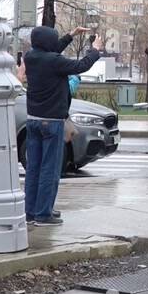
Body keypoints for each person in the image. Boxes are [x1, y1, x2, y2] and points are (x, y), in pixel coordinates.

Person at [23, 26, 101, 226]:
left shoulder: (31, 57)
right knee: (50, 168)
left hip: (32, 120)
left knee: (34, 168)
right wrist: (95, 50)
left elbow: (51, 50)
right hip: (53, 122)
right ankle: (43, 214)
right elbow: (82, 66)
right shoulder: (54, 62)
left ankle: (31, 212)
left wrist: (70, 36)